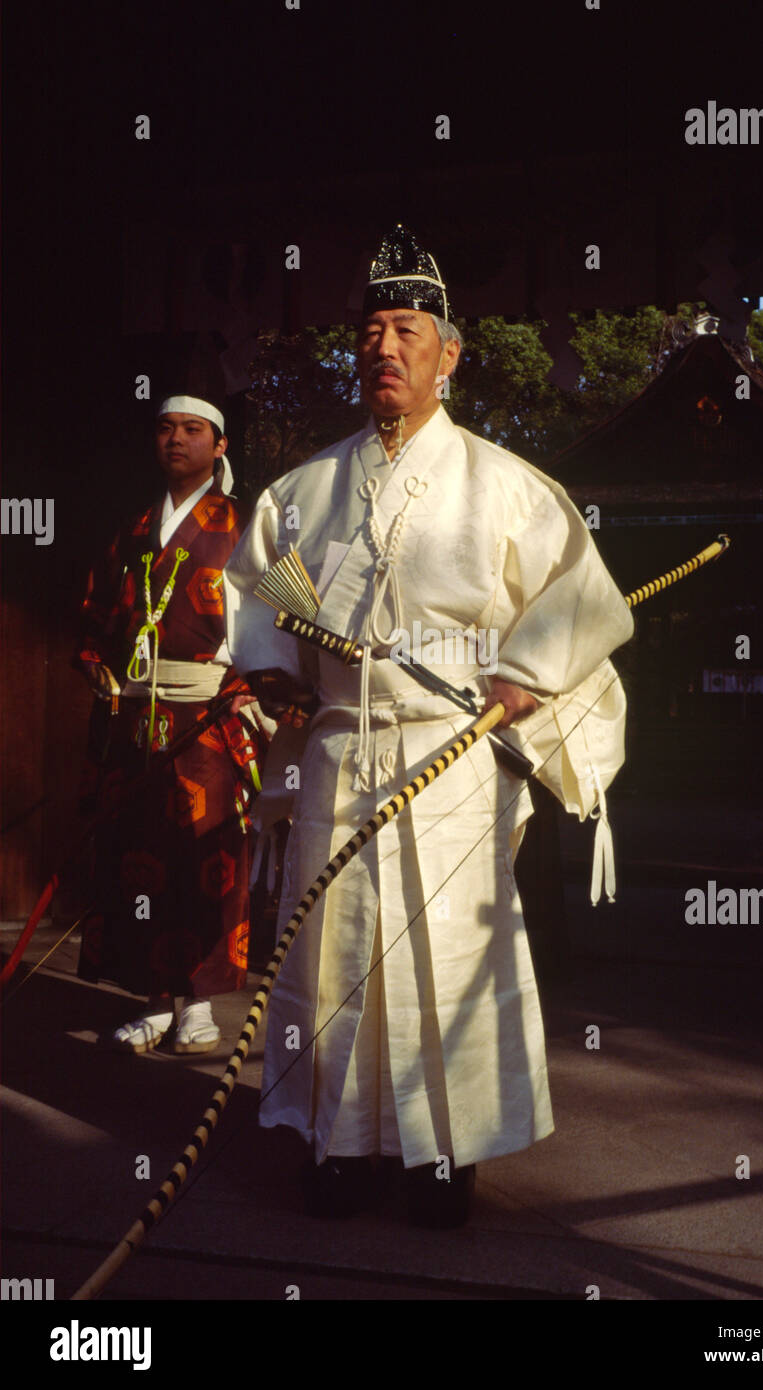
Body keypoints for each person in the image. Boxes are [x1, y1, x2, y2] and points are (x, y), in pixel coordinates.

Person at [223, 227, 634, 1224]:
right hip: (337, 749)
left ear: (449, 354)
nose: (384, 348)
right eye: (370, 332)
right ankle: (335, 1143)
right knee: (330, 950)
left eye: (407, 330)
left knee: (444, 954)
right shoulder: (302, 491)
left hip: (449, 753)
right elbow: (255, 596)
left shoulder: (508, 486)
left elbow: (581, 598)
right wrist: (274, 672)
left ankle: (442, 1157)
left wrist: (526, 675)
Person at [75, 395, 268, 1054]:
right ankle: (154, 1000)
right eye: (165, 428)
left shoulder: (245, 526)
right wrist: (95, 664)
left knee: (206, 855)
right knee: (140, 854)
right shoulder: (133, 527)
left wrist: (245, 690)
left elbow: (275, 622)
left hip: (210, 714)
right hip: (136, 714)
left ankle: (201, 1003)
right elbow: (97, 611)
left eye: (192, 429)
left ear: (220, 446)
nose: (176, 439)